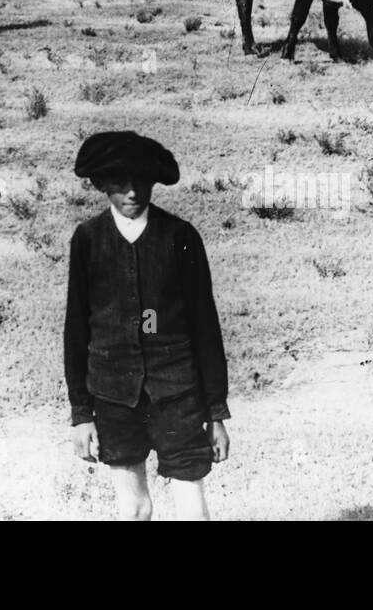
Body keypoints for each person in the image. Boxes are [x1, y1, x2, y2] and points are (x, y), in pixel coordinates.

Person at [64, 131, 231, 521]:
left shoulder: (180, 237)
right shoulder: (87, 240)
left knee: (192, 505)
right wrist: (81, 413)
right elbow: (76, 330)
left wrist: (216, 411)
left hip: (177, 391)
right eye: (120, 183)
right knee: (133, 506)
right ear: (101, 184)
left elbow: (206, 326)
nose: (133, 192)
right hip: (113, 394)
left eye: (142, 180)